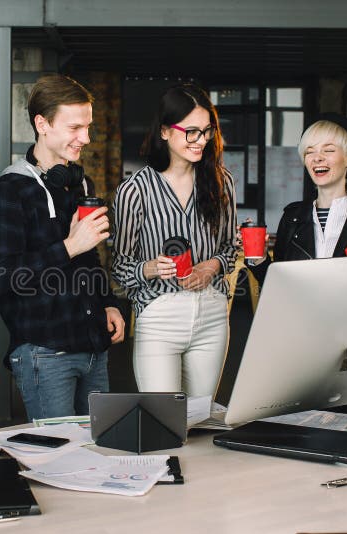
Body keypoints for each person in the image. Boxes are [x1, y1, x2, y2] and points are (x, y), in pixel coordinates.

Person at [0, 74, 124, 421]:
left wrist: (107, 303)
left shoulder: (77, 181)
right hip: (45, 354)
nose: (85, 138)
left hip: (93, 346)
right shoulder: (8, 190)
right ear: (42, 123)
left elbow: (88, 255)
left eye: (88, 127)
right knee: (57, 458)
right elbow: (2, 278)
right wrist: (69, 246)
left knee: (97, 449)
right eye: (75, 128)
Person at [112, 83, 238, 397]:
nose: (201, 141)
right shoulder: (135, 191)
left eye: (207, 132)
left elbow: (231, 248)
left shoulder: (222, 183)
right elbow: (119, 270)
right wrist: (152, 268)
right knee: (162, 418)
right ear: (166, 131)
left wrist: (211, 266)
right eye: (191, 132)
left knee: (199, 418)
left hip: (211, 312)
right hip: (158, 315)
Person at [248, 113, 347, 284]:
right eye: (309, 151)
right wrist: (260, 258)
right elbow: (279, 285)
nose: (317, 158)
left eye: (328, 150)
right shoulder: (292, 218)